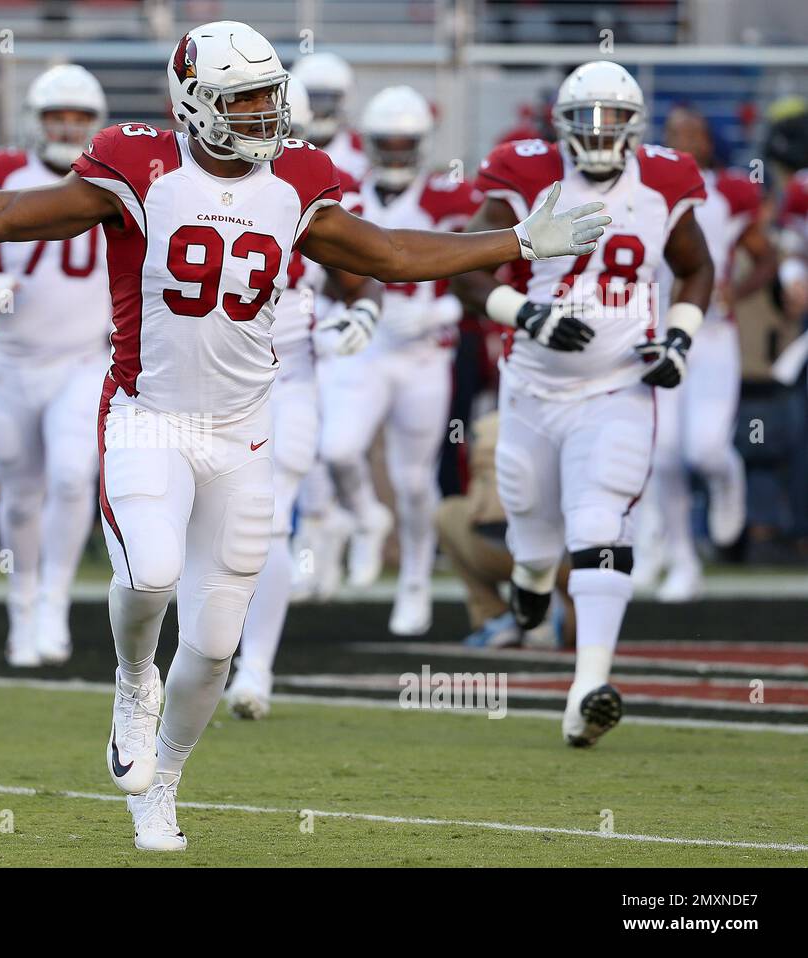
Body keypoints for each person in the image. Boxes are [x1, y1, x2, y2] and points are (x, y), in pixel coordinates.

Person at [0, 20, 607, 850]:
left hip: (243, 431)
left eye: (273, 94)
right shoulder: (137, 165)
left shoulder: (297, 180)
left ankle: (162, 787)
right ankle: (130, 681)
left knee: (215, 644)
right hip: (147, 414)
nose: (268, 113)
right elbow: (13, 213)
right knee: (151, 574)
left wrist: (516, 242)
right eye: (248, 99)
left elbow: (389, 253)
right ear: (193, 105)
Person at [452, 60, 714, 748]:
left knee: (599, 520)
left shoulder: (664, 179)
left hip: (618, 385)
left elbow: (696, 266)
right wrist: (525, 312)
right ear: (562, 125)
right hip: (533, 388)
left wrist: (679, 340)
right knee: (533, 536)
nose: (599, 134)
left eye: (613, 120)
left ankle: (588, 685)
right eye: (587, 119)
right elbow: (464, 268)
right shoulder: (525, 172)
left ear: (634, 126)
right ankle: (532, 584)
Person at [0, 65, 113, 667]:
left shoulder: (116, 178)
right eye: (56, 115)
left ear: (95, 122)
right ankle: (22, 604)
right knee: (19, 492)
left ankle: (55, 602)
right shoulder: (4, 173)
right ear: (37, 120)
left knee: (70, 476)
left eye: (78, 117)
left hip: (84, 361)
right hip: (10, 360)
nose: (66, 126)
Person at [222, 79, 375, 720]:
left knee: (269, 520)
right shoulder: (178, 178)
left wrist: (363, 308)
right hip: (200, 386)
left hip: (286, 377)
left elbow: (369, 265)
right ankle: (201, 658)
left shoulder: (309, 187)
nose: (269, 140)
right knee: (197, 536)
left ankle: (255, 667)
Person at [314, 85, 480, 635]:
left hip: (423, 356)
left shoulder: (450, 199)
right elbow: (319, 266)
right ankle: (363, 516)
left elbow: (480, 272)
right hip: (364, 347)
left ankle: (414, 581)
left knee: (413, 480)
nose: (394, 154)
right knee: (337, 449)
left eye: (404, 144)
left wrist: (440, 313)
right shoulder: (344, 191)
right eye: (385, 143)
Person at [633, 106, 777, 601]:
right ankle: (682, 559)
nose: (682, 140)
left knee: (706, 448)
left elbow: (765, 254)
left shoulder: (731, 191)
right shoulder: (645, 187)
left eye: (692, 132)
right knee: (664, 453)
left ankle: (728, 476)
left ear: (709, 141)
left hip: (713, 337)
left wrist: (740, 291)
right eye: (673, 132)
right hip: (662, 332)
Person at [436, 411, 575, 648]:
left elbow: (465, 485)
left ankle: (494, 617)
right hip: (568, 555)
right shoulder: (581, 415)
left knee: (448, 513)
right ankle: (560, 612)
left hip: (498, 544)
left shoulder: (485, 423)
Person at [289, 52, 368, 181]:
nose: (319, 111)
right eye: (312, 100)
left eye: (327, 99)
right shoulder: (283, 147)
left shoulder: (361, 151)